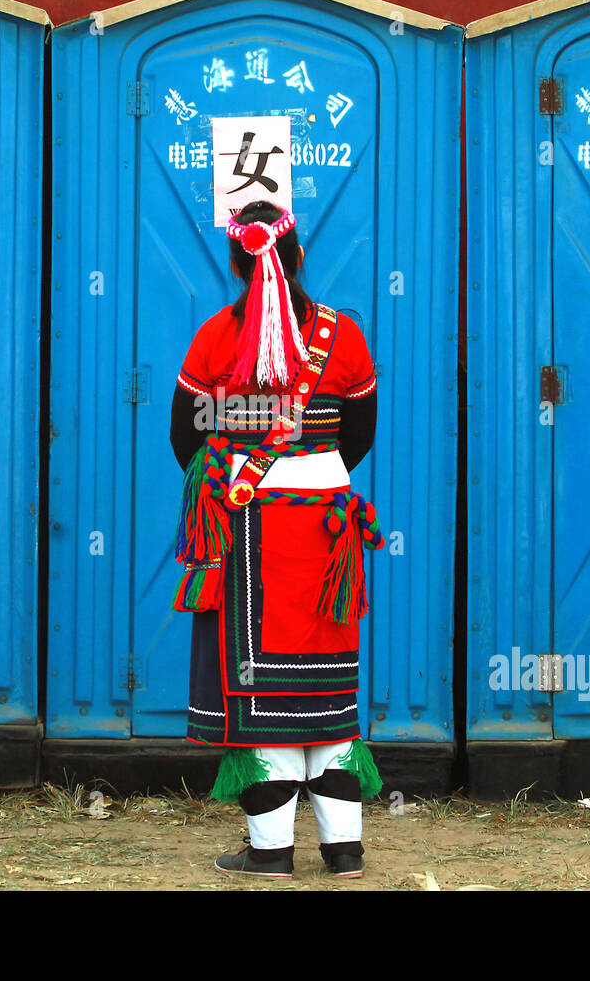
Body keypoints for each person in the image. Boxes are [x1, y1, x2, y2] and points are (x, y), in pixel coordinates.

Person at [168, 199, 384, 879]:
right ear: (297, 255)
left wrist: (248, 474)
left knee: (261, 697)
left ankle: (269, 854)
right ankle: (343, 852)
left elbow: (186, 439)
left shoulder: (213, 339)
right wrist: (311, 475)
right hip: (326, 534)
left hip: (244, 532)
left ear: (237, 262)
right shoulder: (343, 336)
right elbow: (359, 438)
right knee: (327, 689)